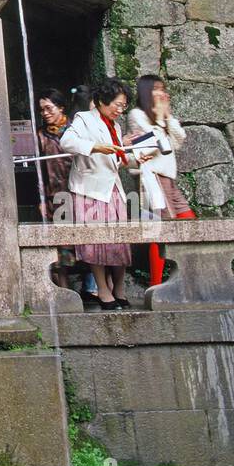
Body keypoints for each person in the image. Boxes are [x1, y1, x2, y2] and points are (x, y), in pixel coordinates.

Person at [59, 77, 152, 311]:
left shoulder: (116, 127)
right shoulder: (84, 119)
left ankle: (119, 288)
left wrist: (136, 157)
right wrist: (95, 146)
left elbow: (116, 160)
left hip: (112, 189)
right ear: (101, 100)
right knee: (96, 242)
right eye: (117, 105)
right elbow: (67, 142)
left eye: (124, 106)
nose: (120, 111)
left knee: (119, 242)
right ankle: (102, 289)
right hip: (90, 190)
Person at [127, 74, 194, 285]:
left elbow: (178, 140)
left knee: (188, 221)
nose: (162, 93)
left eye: (163, 88)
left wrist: (166, 117)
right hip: (152, 177)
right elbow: (157, 144)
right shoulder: (137, 115)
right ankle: (156, 284)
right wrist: (159, 118)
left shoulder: (162, 117)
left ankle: (186, 275)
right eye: (156, 88)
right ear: (146, 91)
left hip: (168, 178)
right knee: (161, 229)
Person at [36, 87, 78, 293]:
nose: (45, 113)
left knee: (83, 238)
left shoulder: (76, 129)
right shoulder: (42, 135)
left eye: (48, 108)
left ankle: (91, 286)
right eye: (42, 110)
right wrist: (42, 198)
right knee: (61, 241)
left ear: (61, 107)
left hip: (78, 191)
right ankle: (64, 287)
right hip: (55, 194)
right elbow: (39, 170)